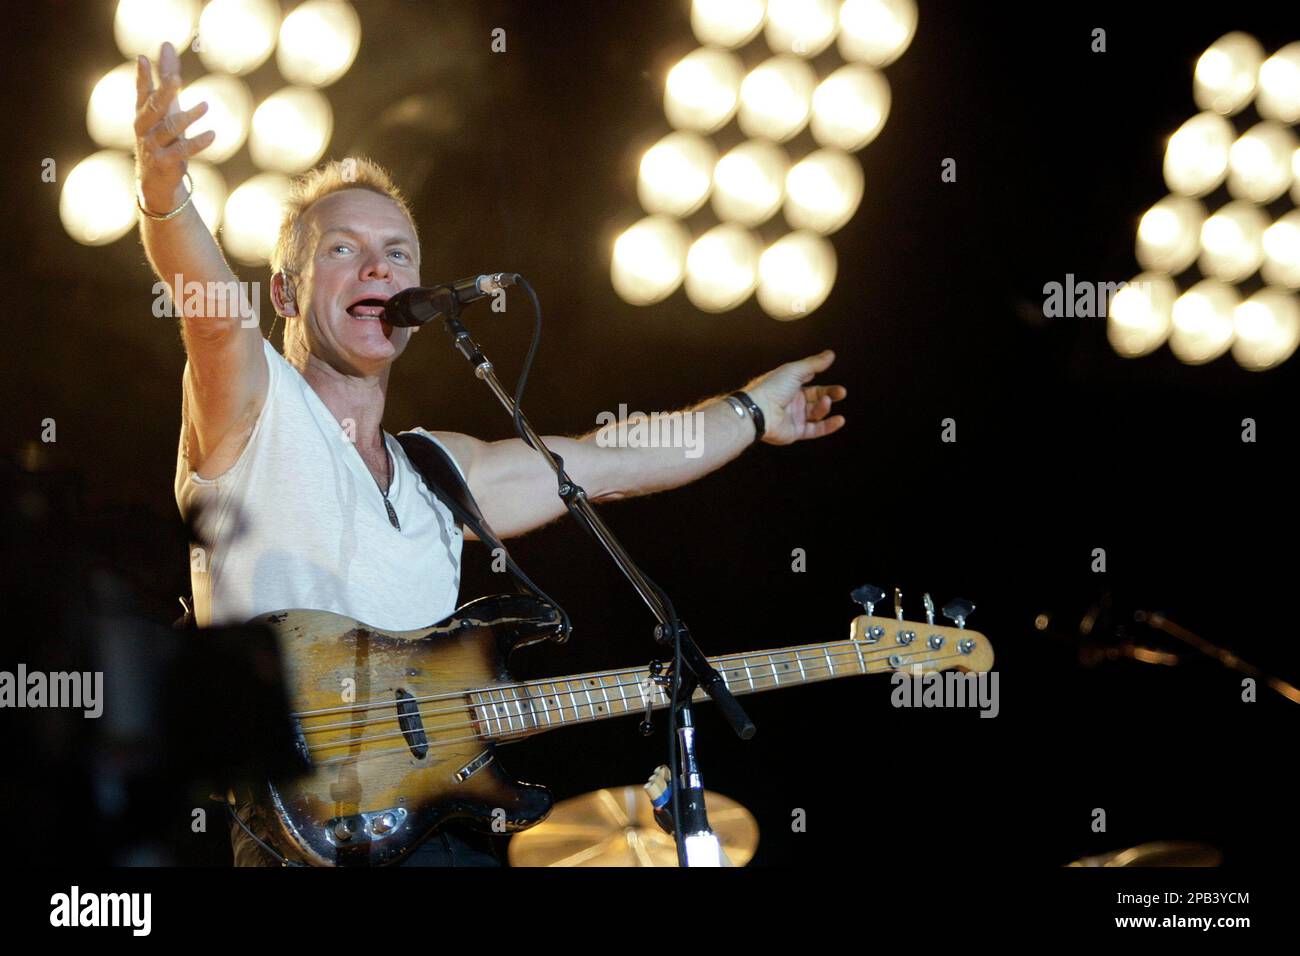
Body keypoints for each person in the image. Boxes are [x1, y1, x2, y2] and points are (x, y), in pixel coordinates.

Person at [134, 42, 847, 866]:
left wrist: (755, 411)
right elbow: (212, 311)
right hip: (301, 835)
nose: (379, 266)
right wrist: (164, 193)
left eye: (398, 253)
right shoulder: (253, 403)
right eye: (343, 250)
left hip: (438, 833)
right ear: (287, 292)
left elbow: (616, 460)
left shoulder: (441, 471)